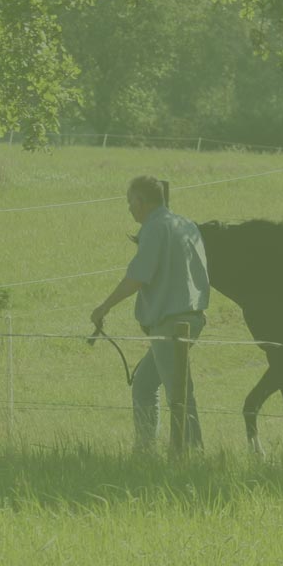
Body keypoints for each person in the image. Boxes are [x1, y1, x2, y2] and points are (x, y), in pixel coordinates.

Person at [90, 175, 210, 452]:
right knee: (144, 384)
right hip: (192, 317)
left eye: (130, 201)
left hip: (171, 323)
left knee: (179, 394)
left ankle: (191, 452)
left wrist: (104, 307)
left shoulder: (155, 228)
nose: (129, 208)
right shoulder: (185, 224)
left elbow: (137, 277)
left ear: (140, 201)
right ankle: (145, 450)